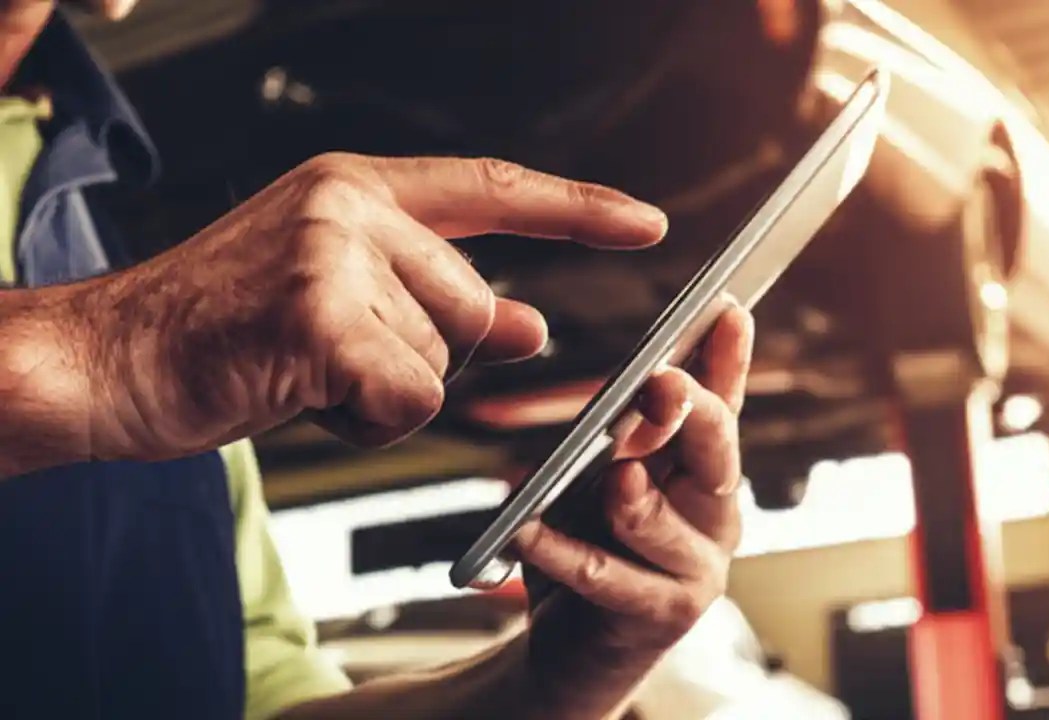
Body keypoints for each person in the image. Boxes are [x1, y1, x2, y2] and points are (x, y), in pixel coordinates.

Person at [0, 2, 753, 719]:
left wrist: (567, 675)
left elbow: (255, 698)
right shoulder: (140, 311)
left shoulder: (91, 201)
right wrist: (97, 353)